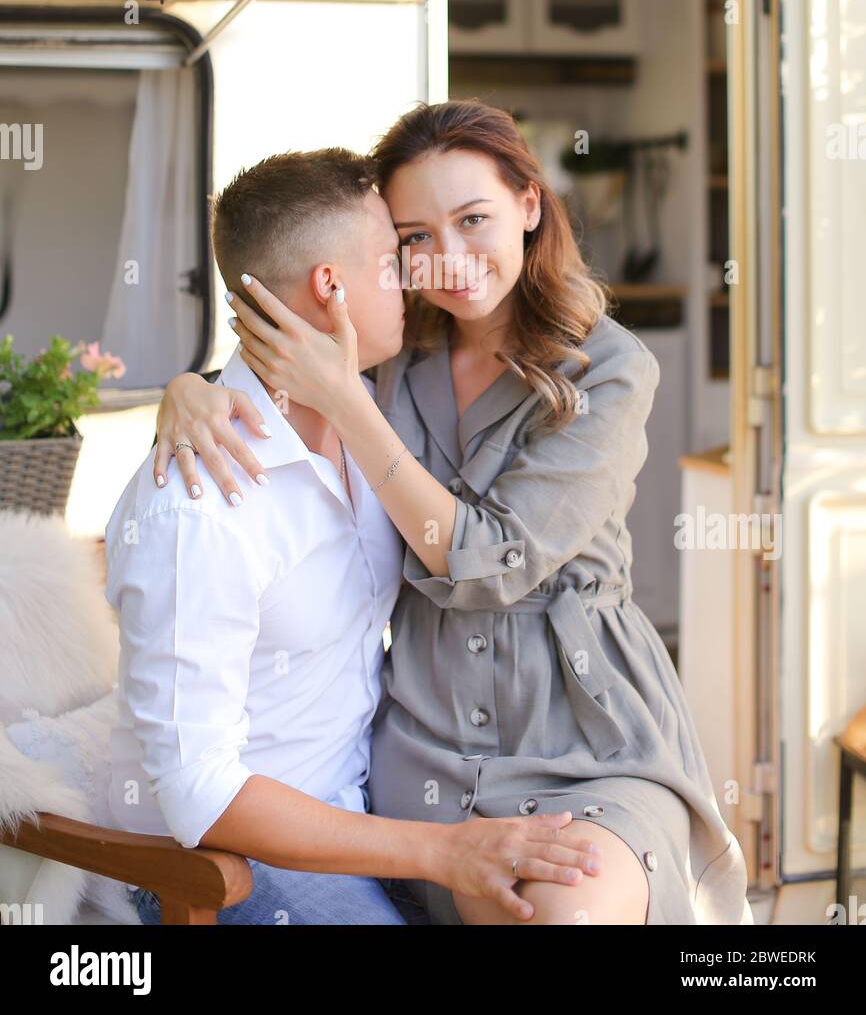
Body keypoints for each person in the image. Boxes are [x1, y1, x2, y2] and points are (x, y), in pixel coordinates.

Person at [153, 99, 754, 926]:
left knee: (566, 914)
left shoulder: (611, 367)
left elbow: (495, 561)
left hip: (583, 734)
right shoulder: (391, 345)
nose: (450, 261)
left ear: (530, 206)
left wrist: (344, 398)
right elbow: (266, 358)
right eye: (415, 240)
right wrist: (184, 392)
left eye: (474, 219)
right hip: (426, 746)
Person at [105, 146, 602, 926]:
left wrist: (188, 383)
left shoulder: (373, 421)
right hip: (231, 862)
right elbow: (198, 793)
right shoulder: (200, 503)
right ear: (330, 287)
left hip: (368, 807)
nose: (413, 277)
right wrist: (441, 853)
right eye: (392, 258)